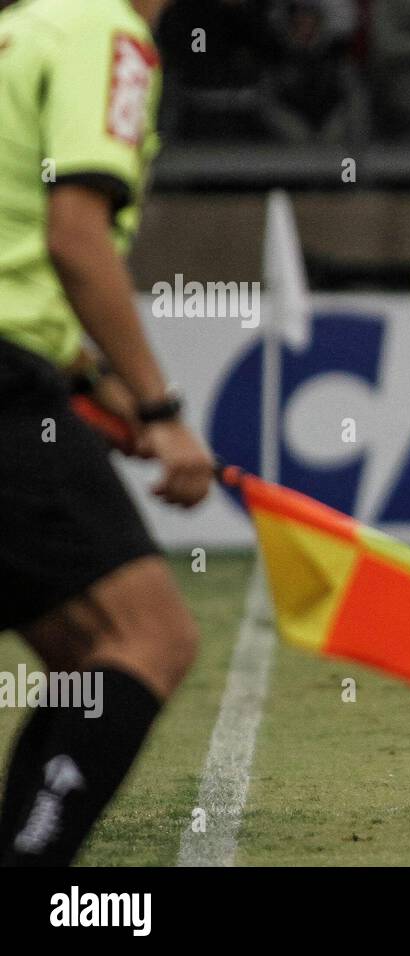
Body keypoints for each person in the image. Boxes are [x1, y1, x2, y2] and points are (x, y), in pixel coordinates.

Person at [0, 0, 213, 865]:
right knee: (151, 637)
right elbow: (74, 238)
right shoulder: (106, 34)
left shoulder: (22, 28)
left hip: (26, 366)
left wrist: (92, 381)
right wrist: (161, 414)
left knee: (82, 654)